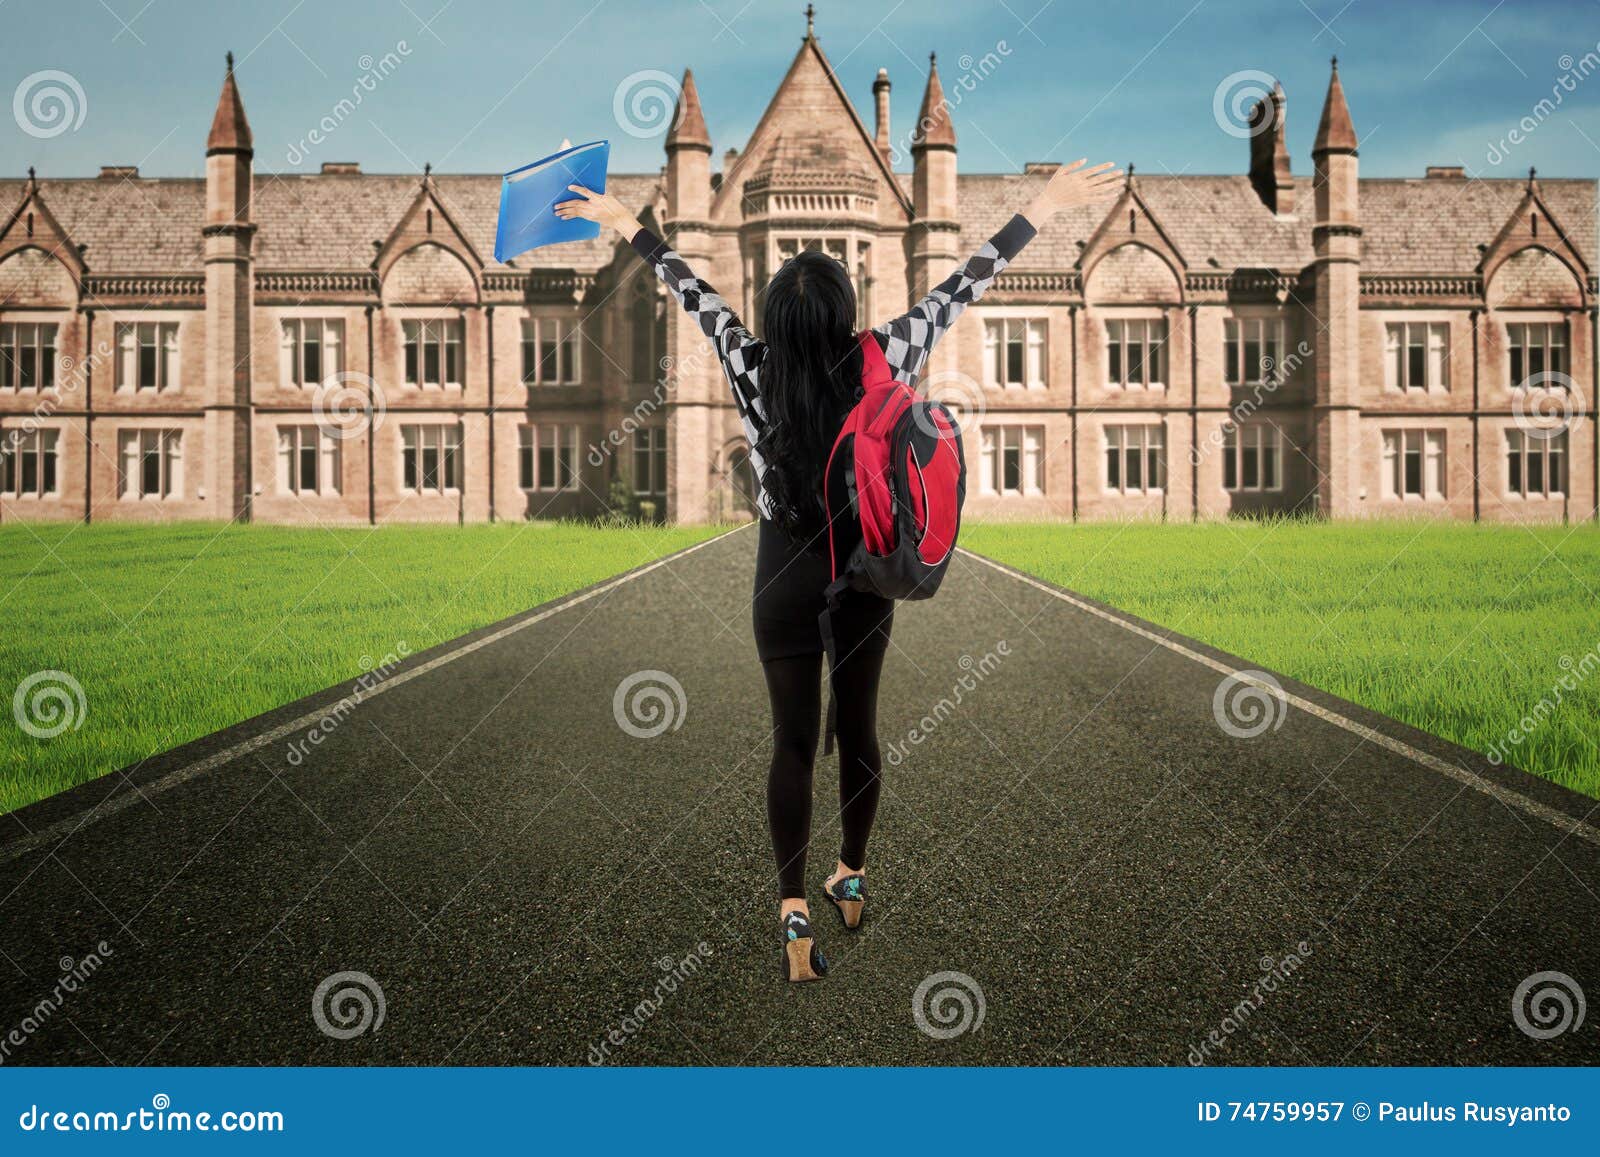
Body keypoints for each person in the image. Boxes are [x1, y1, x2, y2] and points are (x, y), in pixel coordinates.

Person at [558, 158, 1122, 981]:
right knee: (858, 730)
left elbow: (687, 287)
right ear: (847, 308)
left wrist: (623, 221)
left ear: (774, 318)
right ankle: (850, 876)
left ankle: (792, 914)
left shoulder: (750, 362)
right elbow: (968, 282)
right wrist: (1044, 204)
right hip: (862, 573)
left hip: (782, 576)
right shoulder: (889, 350)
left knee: (791, 742)